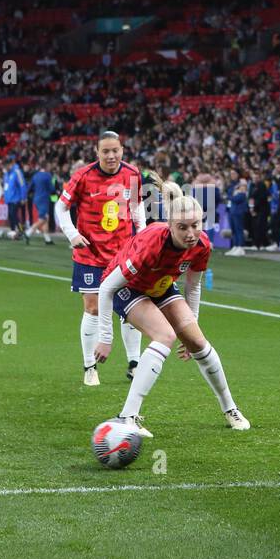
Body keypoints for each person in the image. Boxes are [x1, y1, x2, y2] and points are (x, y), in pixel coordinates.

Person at [94, 181, 250, 436]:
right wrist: (105, 337)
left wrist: (192, 327)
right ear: (170, 226)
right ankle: (127, 417)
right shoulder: (151, 244)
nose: (190, 233)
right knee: (165, 335)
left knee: (198, 343)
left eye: (195, 226)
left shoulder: (202, 246)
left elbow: (193, 288)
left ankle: (230, 408)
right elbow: (107, 288)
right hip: (128, 287)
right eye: (182, 228)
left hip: (161, 285)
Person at [54, 130, 146, 385]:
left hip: (123, 253)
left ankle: (134, 363)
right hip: (90, 254)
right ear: (97, 152)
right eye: (105, 151)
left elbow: (137, 207)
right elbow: (60, 207)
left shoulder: (133, 174)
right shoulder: (82, 176)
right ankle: (89, 366)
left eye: (115, 150)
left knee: (130, 309)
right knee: (93, 308)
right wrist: (72, 233)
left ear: (122, 150)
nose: (111, 155)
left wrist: (142, 236)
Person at [3, 157, 28, 242]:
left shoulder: (17, 172)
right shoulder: (7, 173)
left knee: (14, 215)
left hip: (16, 199)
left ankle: (21, 231)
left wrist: (23, 197)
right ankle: (13, 233)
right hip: (9, 199)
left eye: (6, 165)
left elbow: (22, 185)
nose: (5, 168)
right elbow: (6, 187)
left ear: (10, 164)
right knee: (11, 216)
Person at [29, 163, 54, 245]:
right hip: (44, 199)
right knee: (43, 218)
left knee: (46, 217)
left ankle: (47, 239)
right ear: (46, 167)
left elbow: (30, 187)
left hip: (36, 198)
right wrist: (56, 191)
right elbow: (51, 188)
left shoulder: (35, 175)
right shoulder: (47, 175)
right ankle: (28, 232)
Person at [227, 176, 248, 256]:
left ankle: (240, 247)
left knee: (239, 230)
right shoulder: (235, 190)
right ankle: (235, 246)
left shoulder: (242, 193)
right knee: (234, 230)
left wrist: (231, 196)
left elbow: (235, 199)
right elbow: (230, 194)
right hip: (233, 212)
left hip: (238, 213)